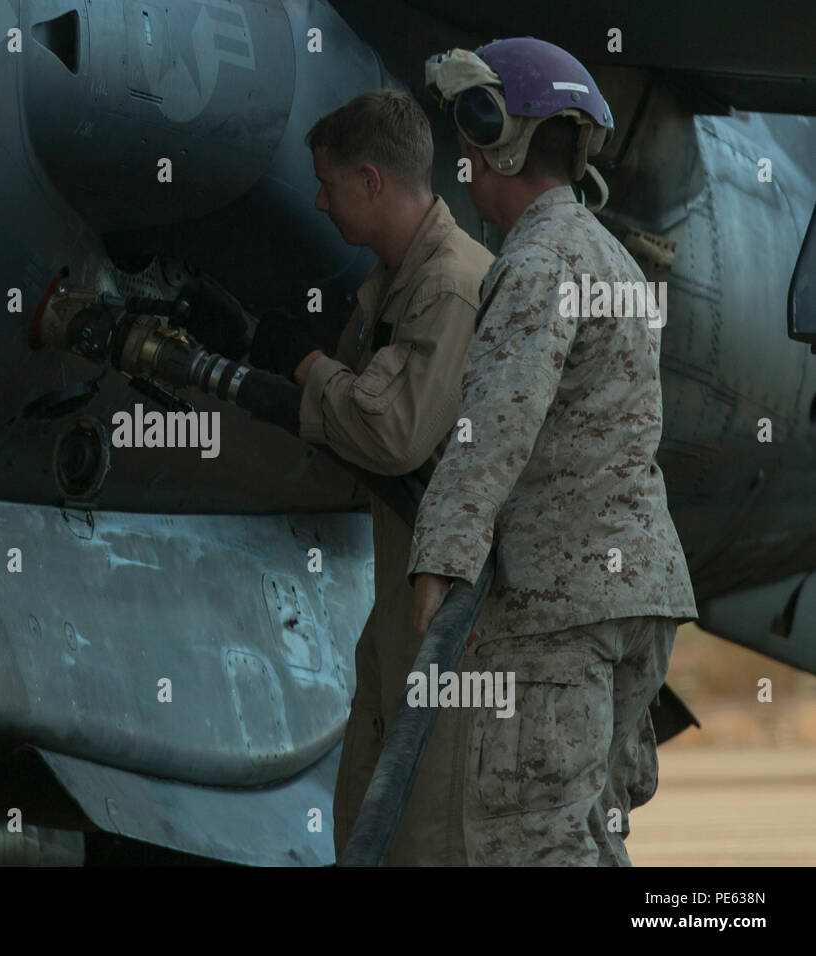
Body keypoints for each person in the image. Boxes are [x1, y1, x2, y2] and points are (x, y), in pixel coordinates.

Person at [180, 88, 493, 864]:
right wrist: (262, 354)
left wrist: (306, 363)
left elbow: (389, 433)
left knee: (424, 828)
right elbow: (357, 403)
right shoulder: (396, 281)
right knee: (370, 811)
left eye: (327, 184)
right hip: (403, 590)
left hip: (446, 601)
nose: (318, 204)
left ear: (371, 182)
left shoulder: (450, 284)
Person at [409, 37, 698, 866]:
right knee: (589, 837)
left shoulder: (535, 261)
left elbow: (495, 422)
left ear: (499, 138)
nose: (464, 165)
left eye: (470, 145)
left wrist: (440, 559)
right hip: (638, 596)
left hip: (558, 608)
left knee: (526, 842)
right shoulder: (611, 257)